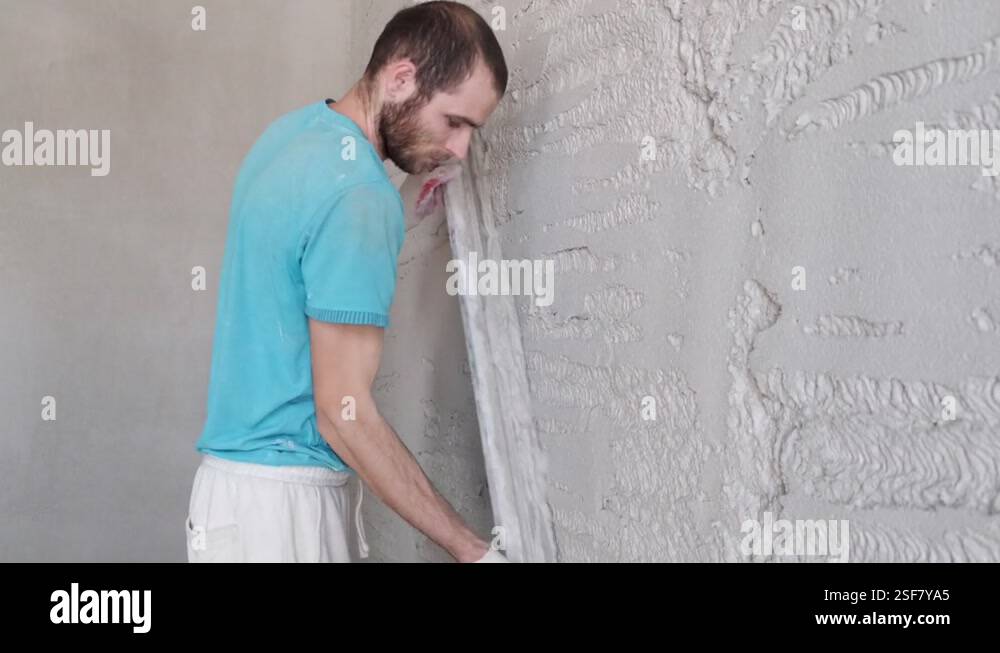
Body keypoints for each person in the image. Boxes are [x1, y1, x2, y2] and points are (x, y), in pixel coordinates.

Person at [186, 1, 509, 563]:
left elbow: (303, 251)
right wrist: (472, 550)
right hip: (282, 513)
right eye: (455, 122)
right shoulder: (360, 195)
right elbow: (344, 413)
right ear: (401, 77)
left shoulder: (290, 135)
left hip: (229, 497)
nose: (459, 149)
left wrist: (405, 203)